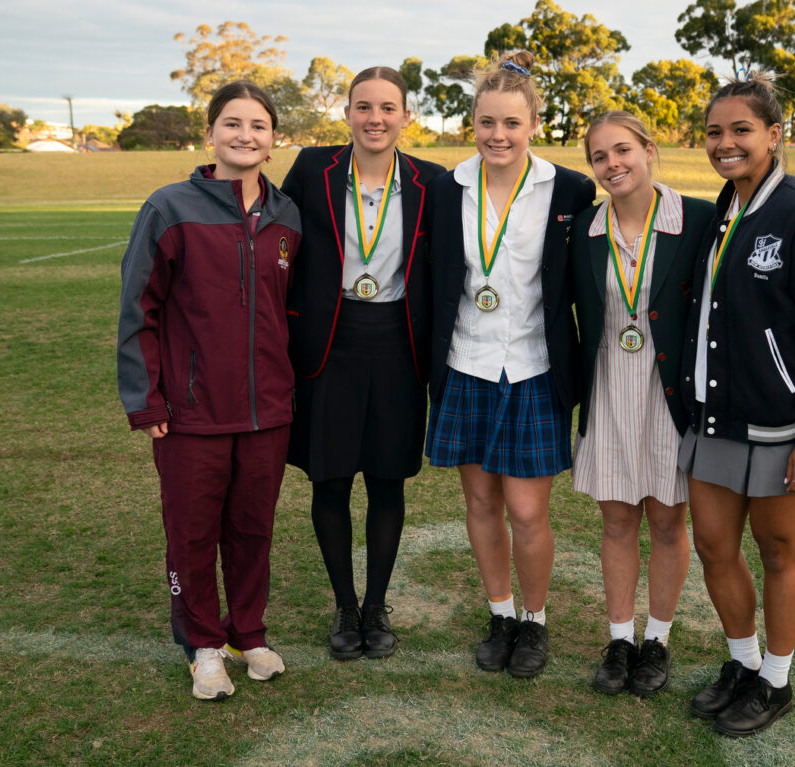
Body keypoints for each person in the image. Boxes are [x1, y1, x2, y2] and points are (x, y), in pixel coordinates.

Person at [679, 72, 795, 735]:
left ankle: (776, 682)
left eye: (741, 130)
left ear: (774, 134)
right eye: (715, 132)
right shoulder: (721, 211)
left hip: (781, 426)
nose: (726, 144)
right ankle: (743, 663)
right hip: (714, 416)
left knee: (778, 549)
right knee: (713, 545)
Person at [116, 80, 301, 701]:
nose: (245, 135)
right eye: (232, 123)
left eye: (258, 126)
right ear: (211, 134)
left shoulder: (286, 215)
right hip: (191, 414)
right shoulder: (170, 208)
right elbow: (138, 308)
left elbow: (289, 311)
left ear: (273, 141)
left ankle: (248, 633)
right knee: (193, 532)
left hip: (266, 411)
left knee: (253, 529)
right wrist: (148, 401)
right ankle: (202, 644)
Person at [425, 51, 596, 678]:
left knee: (527, 511)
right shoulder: (446, 188)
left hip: (534, 367)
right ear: (472, 121)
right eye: (487, 121)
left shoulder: (571, 189)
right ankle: (499, 614)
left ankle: (534, 620)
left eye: (511, 123)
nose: (498, 135)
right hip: (467, 362)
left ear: (534, 124)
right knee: (480, 503)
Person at [281, 66, 445, 660]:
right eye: (363, 106)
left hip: (399, 344)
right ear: (346, 112)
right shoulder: (310, 169)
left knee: (386, 479)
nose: (375, 118)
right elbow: (271, 227)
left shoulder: (433, 181)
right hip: (330, 342)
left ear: (406, 116)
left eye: (388, 107)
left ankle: (376, 605)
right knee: (329, 478)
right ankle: (344, 607)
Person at [569, 111, 714, 696]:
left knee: (667, 519)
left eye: (623, 150)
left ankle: (657, 638)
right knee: (617, 520)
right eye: (600, 157)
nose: (613, 165)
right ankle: (621, 637)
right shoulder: (583, 229)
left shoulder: (698, 219)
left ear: (650, 150)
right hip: (608, 389)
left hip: (667, 394)